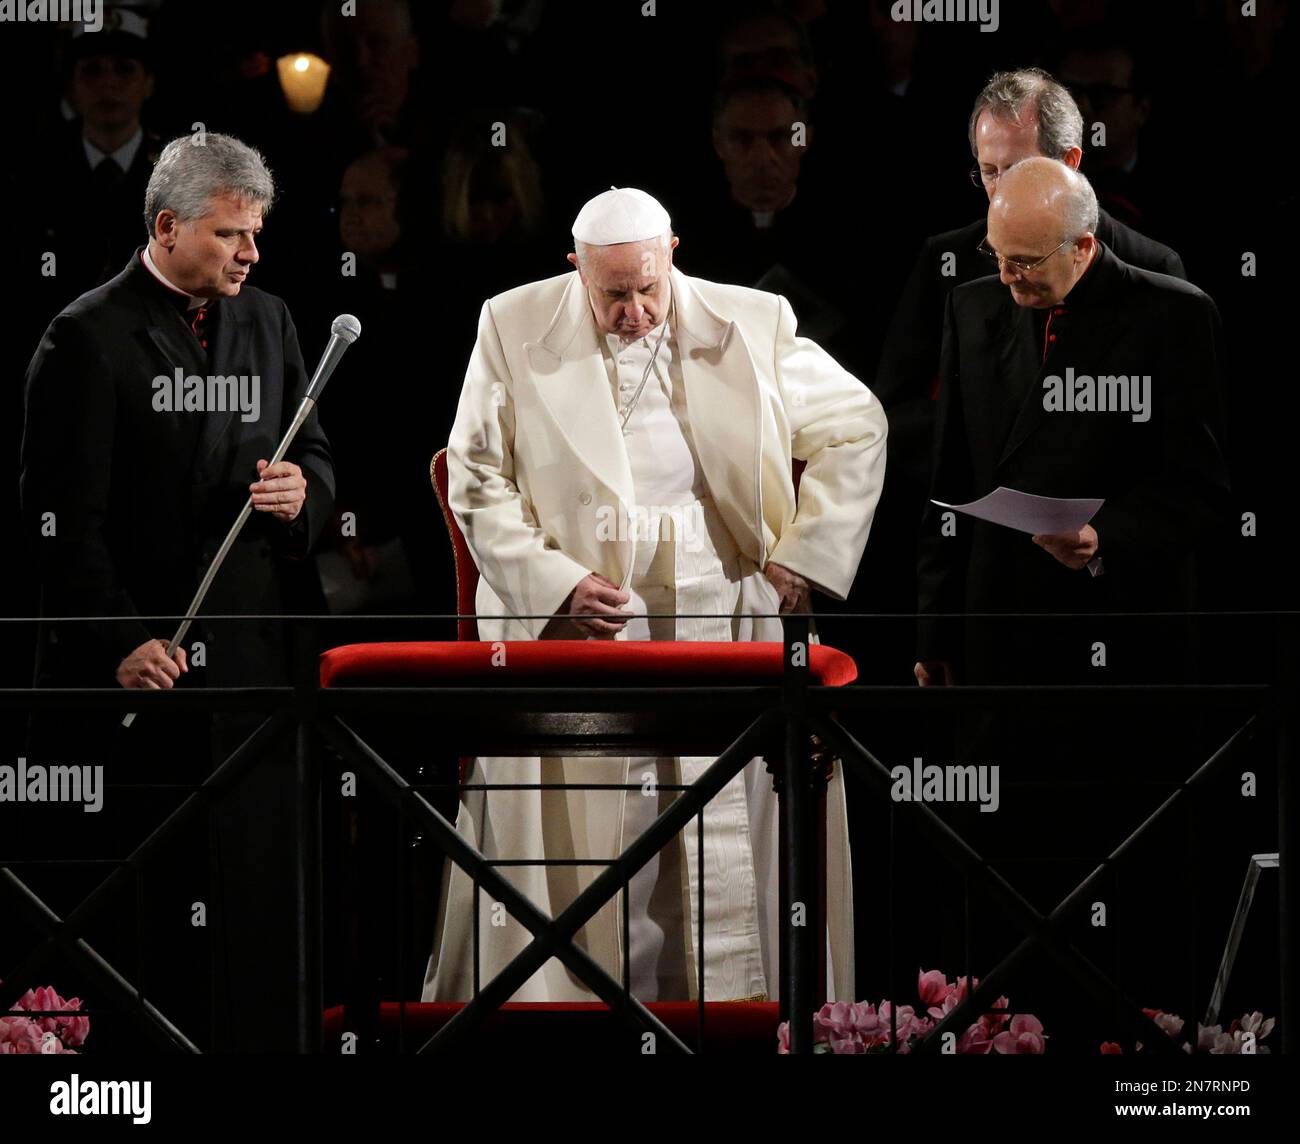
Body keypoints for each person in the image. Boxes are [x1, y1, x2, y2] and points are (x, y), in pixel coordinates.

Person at [423, 187, 887, 1003]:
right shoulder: (511, 322)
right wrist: (557, 584)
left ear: (673, 252)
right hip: (583, 628)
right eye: (612, 295)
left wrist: (805, 554)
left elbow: (858, 425)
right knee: (603, 858)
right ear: (577, 268)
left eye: (648, 289)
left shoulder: (754, 319)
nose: (635, 311)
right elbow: (476, 475)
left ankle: (745, 1022)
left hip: (725, 611)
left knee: (721, 846)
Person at [20, 133, 335, 1052]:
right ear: (166, 227)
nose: (253, 253)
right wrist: (120, 639)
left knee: (257, 902)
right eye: (233, 234)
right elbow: (56, 522)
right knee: (148, 920)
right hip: (142, 681)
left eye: (258, 232)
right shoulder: (84, 336)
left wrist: (302, 492)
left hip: (252, 677)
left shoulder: (270, 319)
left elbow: (313, 449)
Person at [915, 156, 1228, 690]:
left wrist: (1103, 535)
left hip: (1123, 627)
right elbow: (950, 475)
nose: (1007, 275)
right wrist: (936, 631)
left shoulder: (1174, 314)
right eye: (997, 254)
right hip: (999, 626)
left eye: (1027, 261)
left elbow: (1200, 486)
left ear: (1083, 246)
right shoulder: (969, 307)